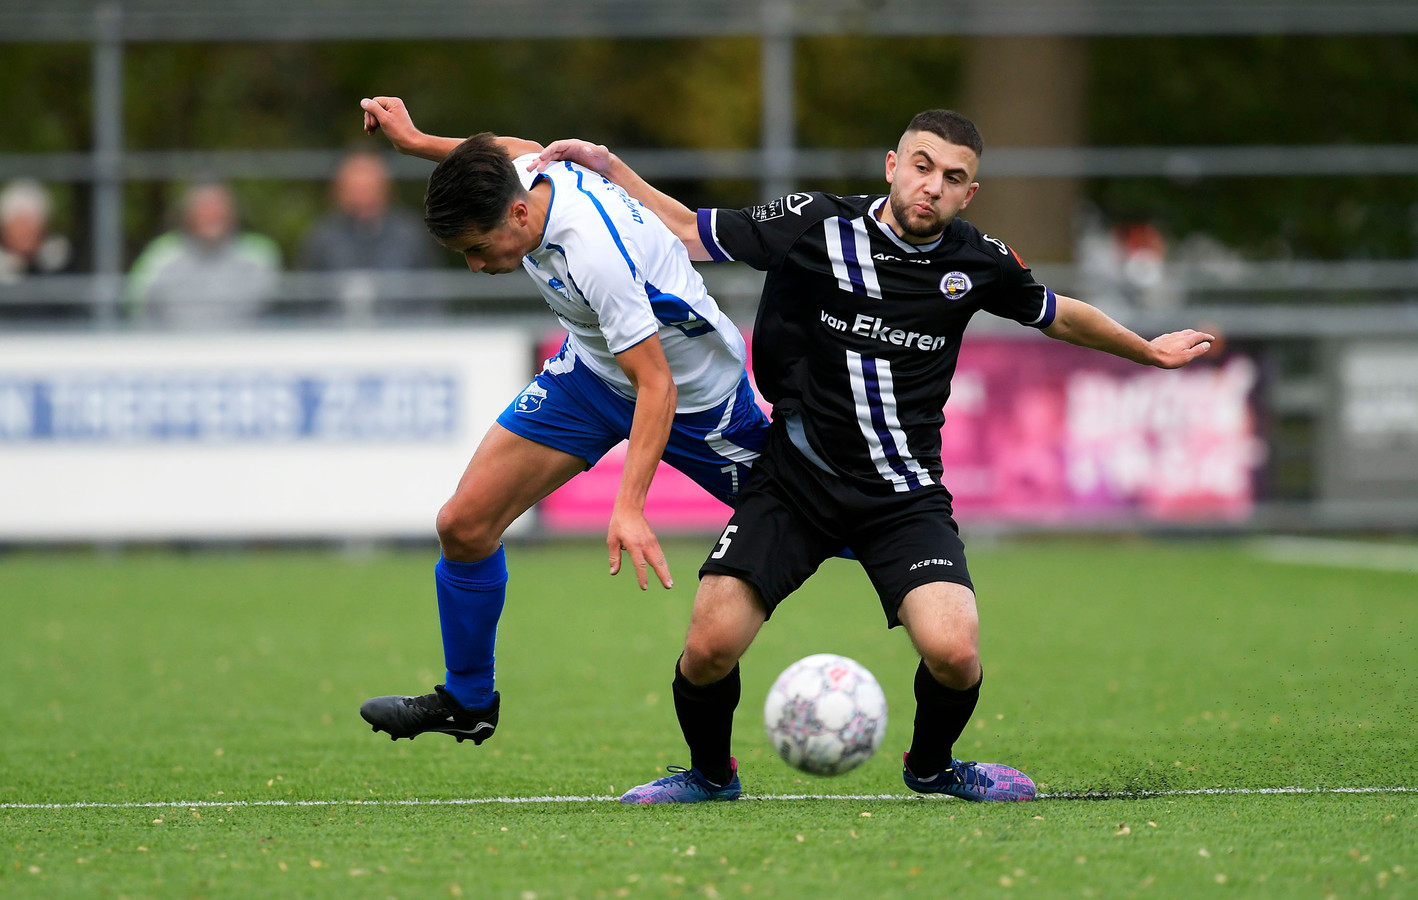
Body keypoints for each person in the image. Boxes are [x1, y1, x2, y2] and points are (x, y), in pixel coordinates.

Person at [534, 109, 1215, 804]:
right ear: (893, 166)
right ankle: (711, 777)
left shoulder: (977, 261)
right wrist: (611, 168)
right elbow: (687, 230)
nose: (933, 187)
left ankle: (933, 768)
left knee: (955, 653)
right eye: (921, 167)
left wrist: (1148, 348)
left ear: (968, 194)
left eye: (953, 178)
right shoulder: (816, 223)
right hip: (796, 478)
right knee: (708, 648)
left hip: (904, 493)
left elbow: (1057, 311)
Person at [353, 96, 771, 746]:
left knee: (830, 524)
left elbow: (655, 386)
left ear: (519, 213)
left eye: (478, 247)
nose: (475, 265)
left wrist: (629, 506)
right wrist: (417, 143)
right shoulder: (523, 176)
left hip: (695, 401)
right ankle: (468, 701)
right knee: (462, 527)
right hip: (594, 376)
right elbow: (502, 144)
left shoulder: (591, 249)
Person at [125, 182, 281, 327]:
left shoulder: (259, 254)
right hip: (174, 350)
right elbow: (136, 309)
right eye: (204, 209)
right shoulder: (161, 255)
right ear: (188, 215)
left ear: (233, 214)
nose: (211, 215)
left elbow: (278, 310)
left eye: (217, 209)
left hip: (247, 349)